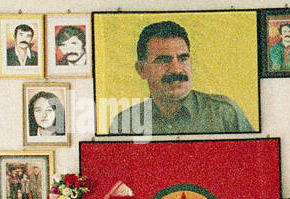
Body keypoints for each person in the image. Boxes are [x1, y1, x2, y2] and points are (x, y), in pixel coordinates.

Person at [108, 21, 252, 135]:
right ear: (141, 69)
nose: (176, 69)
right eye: (164, 60)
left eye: (183, 58)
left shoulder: (224, 114)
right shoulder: (124, 124)